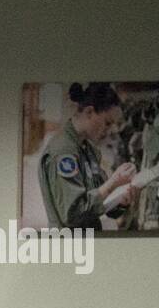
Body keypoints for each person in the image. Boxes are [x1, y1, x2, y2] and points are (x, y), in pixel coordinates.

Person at [39, 82, 140, 228]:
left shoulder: (88, 149)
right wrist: (112, 183)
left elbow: (100, 201)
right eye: (107, 123)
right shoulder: (64, 152)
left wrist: (121, 201)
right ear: (89, 112)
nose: (111, 130)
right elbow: (72, 215)